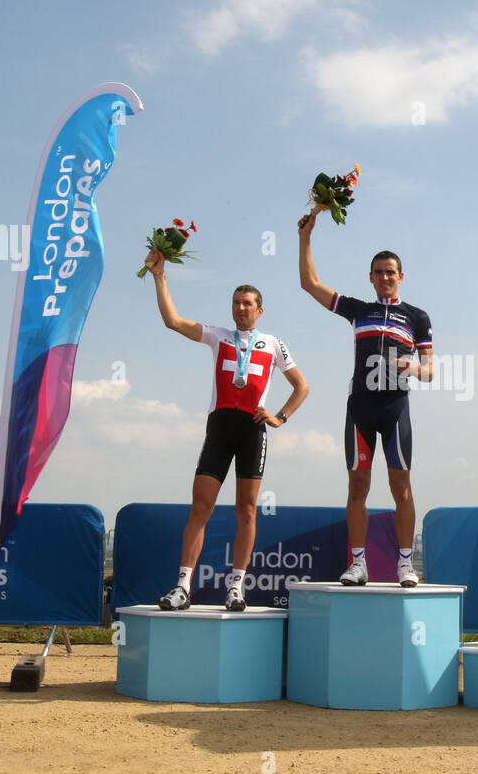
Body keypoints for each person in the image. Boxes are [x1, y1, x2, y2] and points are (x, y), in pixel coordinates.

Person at [145, 249, 309, 612]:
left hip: (253, 428)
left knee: (246, 511)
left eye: (248, 303)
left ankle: (236, 587)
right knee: (201, 506)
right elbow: (172, 320)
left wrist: (280, 417)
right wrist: (160, 276)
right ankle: (182, 587)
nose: (241, 308)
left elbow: (302, 386)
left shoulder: (273, 343)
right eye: (236, 303)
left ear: (260, 310)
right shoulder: (218, 336)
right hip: (219, 425)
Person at [297, 207, 432, 586]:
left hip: (395, 409)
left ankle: (405, 564)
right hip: (360, 408)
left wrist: (415, 369)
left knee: (400, 487)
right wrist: (305, 238)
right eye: (379, 272)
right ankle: (359, 565)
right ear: (371, 278)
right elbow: (310, 284)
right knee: (358, 487)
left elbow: (431, 368)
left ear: (400, 276)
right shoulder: (359, 310)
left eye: (391, 272)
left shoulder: (417, 317)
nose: (385, 277)